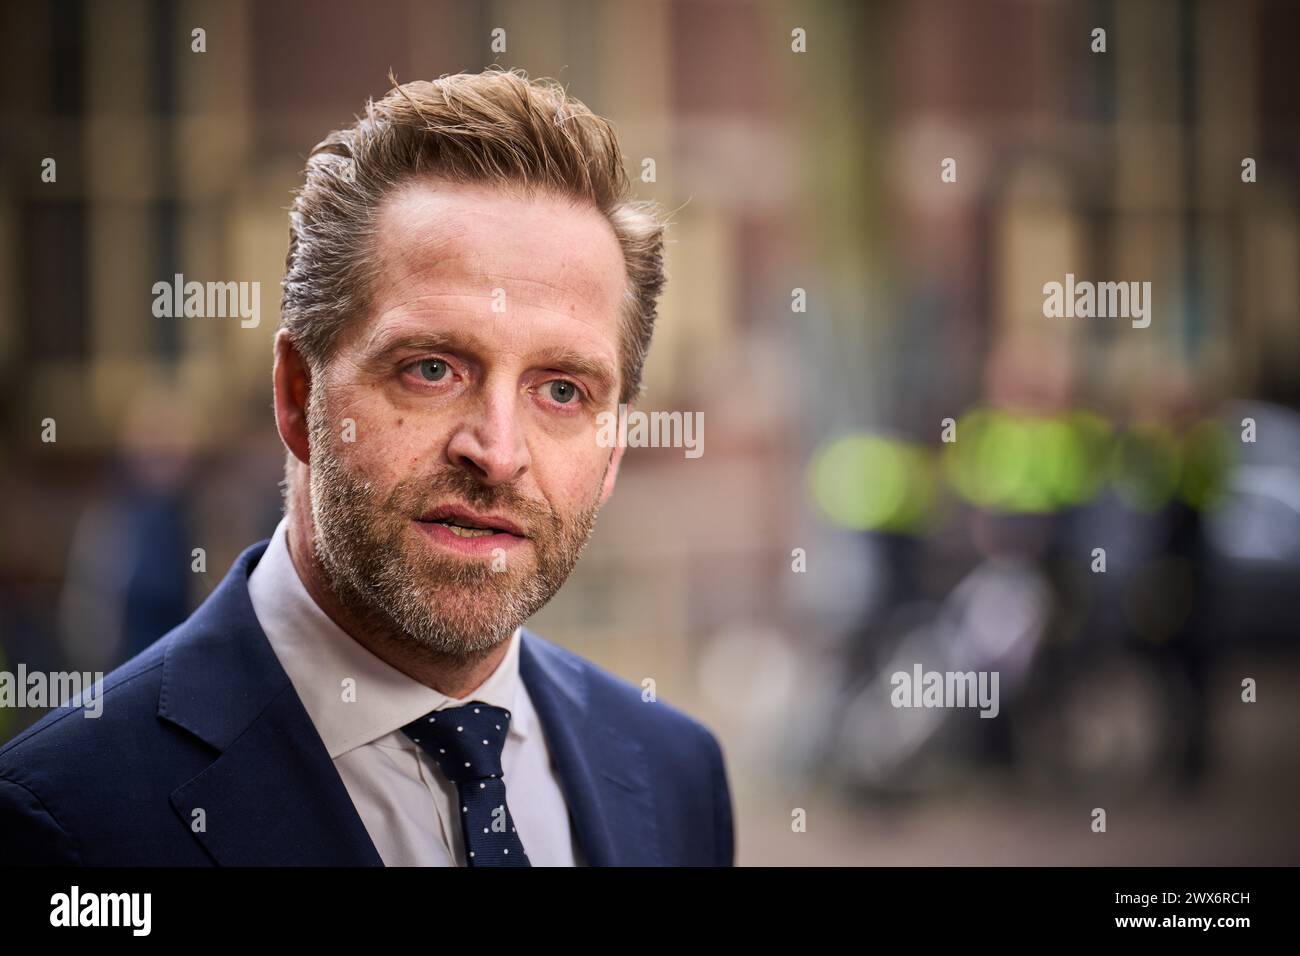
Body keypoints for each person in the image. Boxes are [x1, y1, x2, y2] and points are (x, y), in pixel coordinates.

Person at [0, 68, 735, 867]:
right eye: (431, 369)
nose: (497, 452)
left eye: (562, 389)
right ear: (296, 396)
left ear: (614, 447)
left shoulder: (676, 778)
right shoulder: (63, 823)